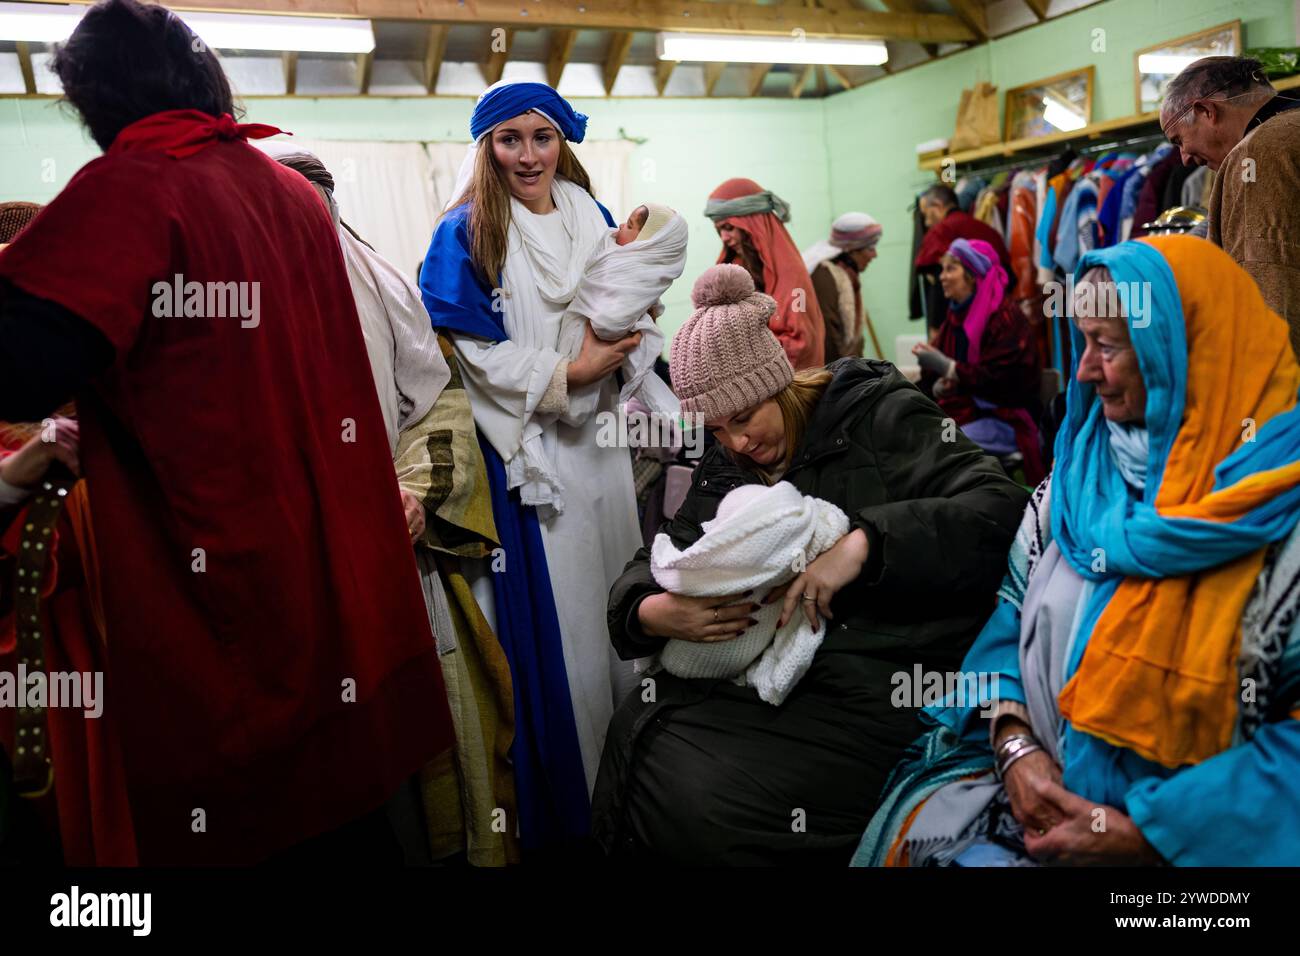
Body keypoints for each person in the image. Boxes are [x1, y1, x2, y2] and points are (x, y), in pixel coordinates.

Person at [0, 0, 452, 864]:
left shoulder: (136, 188)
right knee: (347, 815)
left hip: (226, 580)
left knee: (253, 825)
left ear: (93, 99)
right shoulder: (283, 188)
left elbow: (22, 363)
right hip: (328, 564)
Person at [855, 236, 1300, 867]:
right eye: (1083, 340)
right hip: (1036, 806)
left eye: (1108, 346)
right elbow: (1010, 619)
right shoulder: (1075, 484)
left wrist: (1148, 835)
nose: (1084, 369)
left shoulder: (1282, 519)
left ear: (1181, 352)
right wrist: (1014, 744)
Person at [591, 263, 1028, 864]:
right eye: (716, 430)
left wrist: (865, 545)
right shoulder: (729, 464)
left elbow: (1000, 508)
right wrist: (653, 610)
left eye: (744, 418)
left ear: (777, 383)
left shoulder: (877, 416)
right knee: (638, 732)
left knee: (712, 799)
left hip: (881, 674)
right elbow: (663, 553)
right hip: (785, 676)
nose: (737, 443)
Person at [264, 142, 517, 866]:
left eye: (320, 196)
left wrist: (412, 493)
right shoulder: (230, 288)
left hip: (389, 546)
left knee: (411, 725)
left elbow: (436, 397)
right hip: (290, 561)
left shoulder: (378, 279)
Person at [419, 80, 645, 851]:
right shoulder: (466, 231)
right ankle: (575, 814)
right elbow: (471, 351)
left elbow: (627, 301)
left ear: (562, 143)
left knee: (620, 603)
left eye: (540, 137)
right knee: (569, 633)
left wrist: (624, 342)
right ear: (486, 147)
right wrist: (569, 375)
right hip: (534, 455)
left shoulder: (594, 217)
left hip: (603, 453)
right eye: (508, 139)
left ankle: (635, 790)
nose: (527, 155)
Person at [1161, 56, 1300, 356]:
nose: (1184, 158)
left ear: (1205, 111)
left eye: (1178, 140)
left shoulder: (1258, 152)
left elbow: (1269, 287)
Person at [913, 238, 1044, 483]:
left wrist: (950, 369)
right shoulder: (955, 318)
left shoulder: (1005, 319)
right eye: (943, 269)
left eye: (951, 268)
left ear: (973, 276)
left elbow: (1004, 382)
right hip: (970, 414)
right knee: (920, 435)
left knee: (943, 441)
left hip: (1006, 419)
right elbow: (940, 375)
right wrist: (935, 383)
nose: (942, 277)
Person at [554, 200, 686, 425]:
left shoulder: (637, 271)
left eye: (630, 226)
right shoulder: (613, 252)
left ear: (647, 244)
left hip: (595, 343)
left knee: (579, 404)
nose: (620, 225)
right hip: (579, 346)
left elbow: (609, 324)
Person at [706, 178, 825, 369]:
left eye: (729, 228)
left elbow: (799, 342)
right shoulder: (734, 266)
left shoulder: (792, 277)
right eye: (719, 230)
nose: (724, 238)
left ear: (754, 225)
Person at [914, 184, 1012, 332]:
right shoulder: (987, 230)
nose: (927, 222)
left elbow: (938, 289)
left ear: (937, 206)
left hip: (963, 323)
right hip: (1000, 317)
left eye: (926, 214)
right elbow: (1009, 276)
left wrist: (935, 330)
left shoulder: (941, 232)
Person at [802, 211, 883, 362]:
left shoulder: (847, 275)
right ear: (852, 250)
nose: (875, 255)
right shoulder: (824, 275)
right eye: (870, 248)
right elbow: (830, 339)